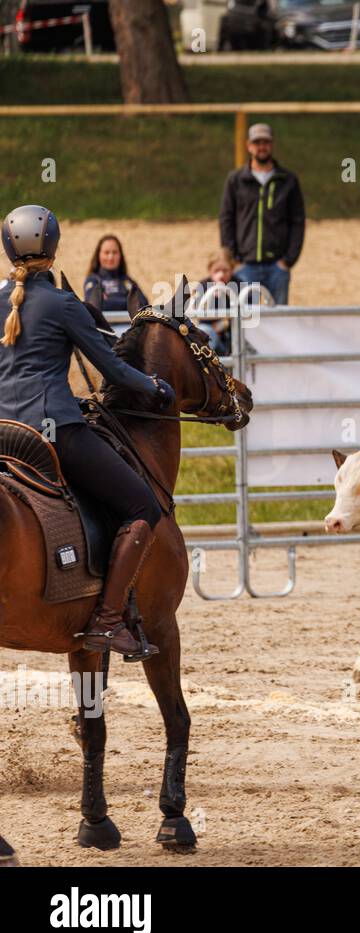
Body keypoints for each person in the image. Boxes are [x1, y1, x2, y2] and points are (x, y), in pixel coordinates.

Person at [0, 205, 174, 660]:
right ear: (52, 250)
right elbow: (112, 367)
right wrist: (154, 386)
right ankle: (108, 621)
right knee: (141, 505)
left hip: (3, 433)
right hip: (52, 432)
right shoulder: (61, 303)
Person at [219, 122, 306, 306]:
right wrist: (233, 258)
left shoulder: (288, 180)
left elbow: (297, 222)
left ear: (272, 144)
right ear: (249, 146)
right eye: (257, 142)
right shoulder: (235, 180)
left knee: (278, 322)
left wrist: (288, 260)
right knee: (245, 321)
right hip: (245, 266)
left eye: (265, 142)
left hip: (277, 266)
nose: (261, 147)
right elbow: (226, 219)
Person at [192, 248, 238, 356]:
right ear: (210, 270)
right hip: (211, 333)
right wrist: (213, 298)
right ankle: (205, 364)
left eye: (225, 270)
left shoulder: (239, 284)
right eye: (216, 271)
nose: (221, 275)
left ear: (232, 269)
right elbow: (199, 313)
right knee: (204, 332)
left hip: (234, 334)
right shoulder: (203, 286)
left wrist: (224, 323)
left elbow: (247, 310)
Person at [82, 234, 142, 314]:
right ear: (98, 255)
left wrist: (108, 300)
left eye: (115, 252)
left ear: (120, 255)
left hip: (128, 325)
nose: (110, 257)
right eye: (106, 253)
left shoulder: (127, 281)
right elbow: (94, 305)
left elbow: (143, 304)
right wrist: (129, 300)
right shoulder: (92, 280)